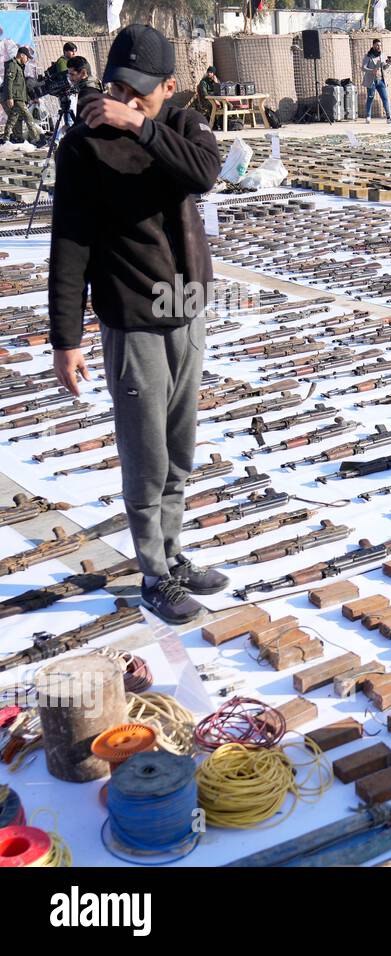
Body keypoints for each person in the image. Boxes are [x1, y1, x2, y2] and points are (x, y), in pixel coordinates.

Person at [48, 25, 223, 626]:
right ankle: (154, 572)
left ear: (168, 89)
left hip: (188, 308)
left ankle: (173, 553)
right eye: (117, 86)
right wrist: (65, 339)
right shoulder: (83, 145)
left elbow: (204, 173)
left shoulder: (181, 126)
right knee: (146, 455)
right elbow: (69, 246)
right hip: (133, 317)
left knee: (179, 448)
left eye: (140, 91)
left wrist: (141, 126)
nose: (124, 97)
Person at [3, 46, 39, 146]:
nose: (27, 60)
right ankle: (37, 139)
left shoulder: (19, 66)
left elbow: (20, 85)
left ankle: (10, 138)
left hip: (19, 97)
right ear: (21, 55)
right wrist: (9, 97)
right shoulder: (13, 65)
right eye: (27, 57)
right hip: (15, 97)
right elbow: (8, 81)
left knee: (14, 118)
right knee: (28, 118)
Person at [361, 38, 391, 124]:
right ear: (373, 46)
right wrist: (371, 70)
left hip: (381, 80)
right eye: (377, 45)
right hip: (371, 81)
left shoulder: (382, 55)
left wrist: (389, 63)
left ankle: (389, 117)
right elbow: (363, 68)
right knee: (370, 98)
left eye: (380, 45)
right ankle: (368, 116)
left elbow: (384, 68)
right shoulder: (368, 56)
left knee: (385, 98)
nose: (379, 47)